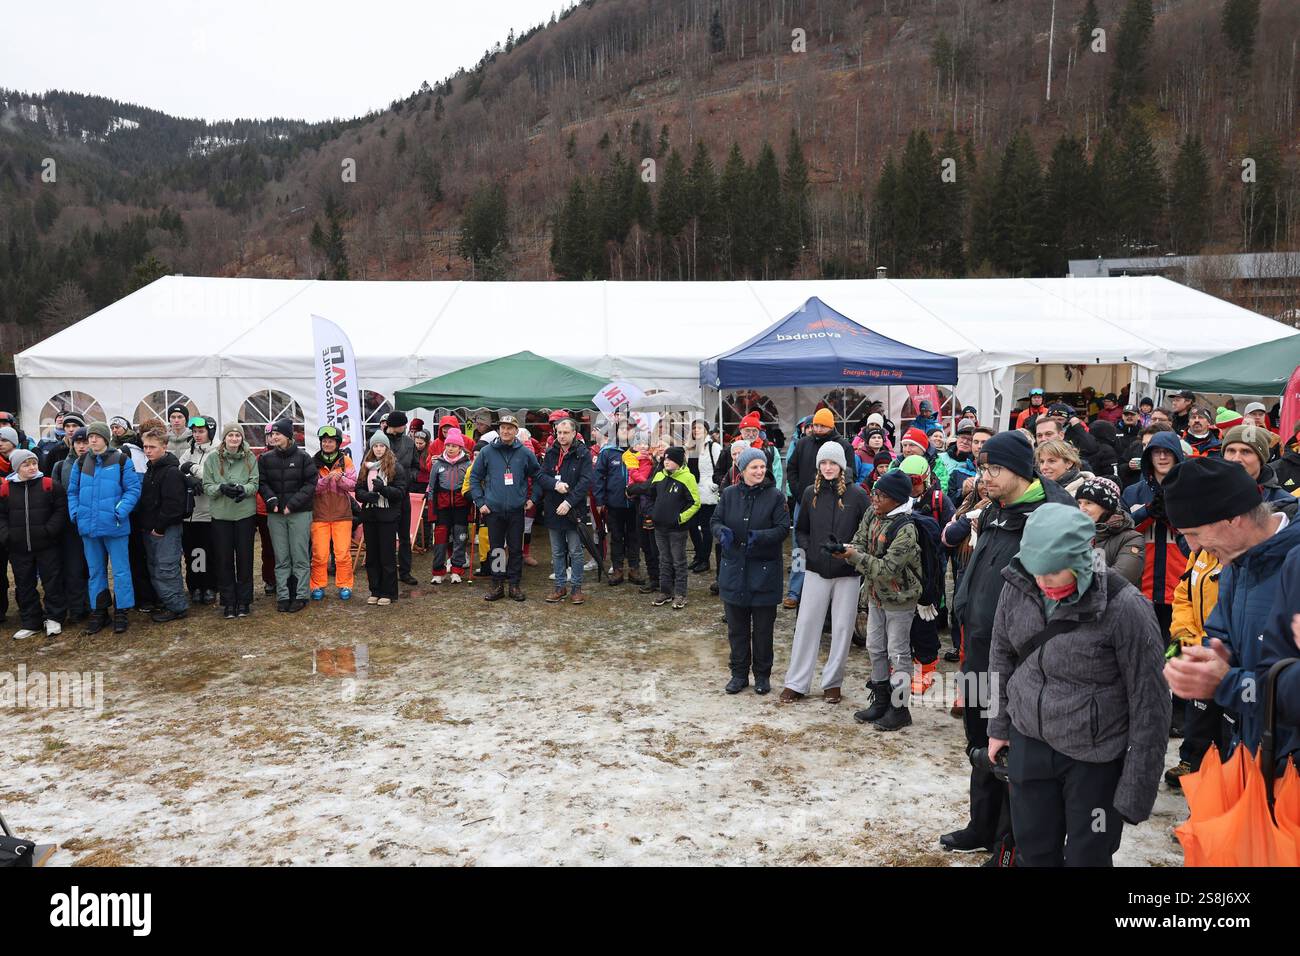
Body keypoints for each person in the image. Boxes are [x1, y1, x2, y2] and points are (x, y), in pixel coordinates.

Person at [987, 504, 1170, 866]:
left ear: (1084, 555)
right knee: (1033, 851)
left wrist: (1136, 789)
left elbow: (1151, 702)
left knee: (1089, 855)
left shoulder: (1126, 607)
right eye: (1037, 569)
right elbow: (1000, 654)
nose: (1043, 581)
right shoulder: (1019, 582)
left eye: (1054, 570)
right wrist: (998, 726)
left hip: (1094, 758)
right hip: (1029, 743)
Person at [942, 430, 1076, 858]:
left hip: (1022, 660)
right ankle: (981, 825)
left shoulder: (1047, 515)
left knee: (1013, 752)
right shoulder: (998, 511)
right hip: (980, 652)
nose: (985, 477)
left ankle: (1009, 843)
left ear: (1019, 470)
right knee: (980, 740)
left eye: (994, 469)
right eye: (982, 468)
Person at [1162, 457, 1300, 760]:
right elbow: (1220, 635)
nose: (1193, 547)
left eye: (1194, 533)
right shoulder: (1236, 562)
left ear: (1233, 518)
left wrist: (1229, 684)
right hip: (1253, 757)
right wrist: (1195, 656)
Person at [780, 442, 869, 704]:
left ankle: (833, 683)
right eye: (824, 463)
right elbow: (802, 529)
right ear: (819, 466)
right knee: (807, 625)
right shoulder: (810, 493)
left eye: (832, 463)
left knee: (842, 627)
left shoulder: (857, 495)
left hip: (847, 572)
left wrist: (852, 552)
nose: (828, 467)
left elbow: (866, 531)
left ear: (841, 465)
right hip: (816, 570)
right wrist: (811, 551)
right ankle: (796, 682)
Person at [842, 469, 923, 730]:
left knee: (897, 653)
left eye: (881, 495)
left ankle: (900, 709)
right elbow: (859, 540)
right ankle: (880, 700)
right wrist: (851, 551)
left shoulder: (906, 529)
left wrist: (854, 557)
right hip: (876, 595)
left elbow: (887, 569)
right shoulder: (873, 513)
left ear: (897, 499)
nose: (874, 498)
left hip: (900, 599)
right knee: (874, 647)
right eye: (874, 492)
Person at [712, 447, 789, 695]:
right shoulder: (729, 494)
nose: (759, 471)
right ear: (743, 470)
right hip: (734, 570)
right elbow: (715, 520)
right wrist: (721, 531)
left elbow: (783, 528)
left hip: (764, 572)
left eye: (762, 467)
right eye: (754, 467)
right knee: (737, 629)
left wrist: (761, 537)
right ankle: (738, 673)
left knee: (763, 630)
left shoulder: (775, 496)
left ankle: (762, 675)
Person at [67, 420, 142, 635]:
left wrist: (119, 511)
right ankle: (100, 612)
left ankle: (121, 612)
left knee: (120, 571)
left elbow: (133, 490)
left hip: (115, 526)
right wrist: (76, 513)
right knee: (95, 571)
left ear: (105, 438)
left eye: (96, 436)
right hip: (89, 527)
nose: (92, 440)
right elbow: (72, 491)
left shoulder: (120, 460)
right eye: (90, 437)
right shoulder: (81, 463)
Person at [470, 414, 553, 602]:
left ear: (516, 431)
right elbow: (474, 478)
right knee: (497, 549)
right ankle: (498, 585)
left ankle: (514, 584)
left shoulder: (525, 453)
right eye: (503, 428)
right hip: (494, 511)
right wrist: (480, 502)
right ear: (499, 430)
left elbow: (538, 476)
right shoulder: (487, 452)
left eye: (510, 428)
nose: (506, 431)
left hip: (516, 510)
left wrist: (533, 498)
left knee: (516, 549)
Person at [784, 408, 857, 610]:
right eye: (815, 425)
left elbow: (851, 472)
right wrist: (800, 494)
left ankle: (832, 593)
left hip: (836, 504)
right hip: (805, 502)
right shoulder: (802, 443)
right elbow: (791, 469)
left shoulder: (843, 445)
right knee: (800, 545)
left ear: (831, 425)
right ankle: (795, 590)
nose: (817, 428)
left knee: (832, 542)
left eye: (822, 425)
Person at [1120, 430, 1188, 647]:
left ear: (1177, 455)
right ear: (1148, 457)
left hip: (1178, 585)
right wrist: (1147, 512)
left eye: (1168, 452)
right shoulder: (1133, 492)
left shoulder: (1191, 489)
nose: (1162, 457)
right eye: (1156, 452)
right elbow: (1121, 529)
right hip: (1142, 583)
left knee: (1173, 652)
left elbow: (1200, 533)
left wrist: (1172, 517)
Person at [1, 449, 67, 640]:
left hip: (47, 545)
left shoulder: (49, 485)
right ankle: (31, 621)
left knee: (52, 581)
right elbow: (1, 516)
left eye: (34, 463)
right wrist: (7, 535)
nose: (31, 467)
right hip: (18, 547)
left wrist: (49, 530)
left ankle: (54, 617)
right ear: (16, 468)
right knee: (24, 584)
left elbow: (60, 510)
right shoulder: (6, 489)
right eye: (26, 464)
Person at [628, 445, 700, 610]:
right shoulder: (659, 475)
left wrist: (680, 518)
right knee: (664, 560)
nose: (666, 462)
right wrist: (654, 513)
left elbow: (695, 503)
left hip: (677, 529)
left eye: (670, 459)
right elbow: (650, 494)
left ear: (678, 461)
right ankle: (666, 591)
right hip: (659, 527)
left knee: (679, 561)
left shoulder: (687, 478)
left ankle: (681, 594)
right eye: (665, 459)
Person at [259, 419, 317, 613]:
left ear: (288, 436)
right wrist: (272, 501)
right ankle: (283, 595)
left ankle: (300, 595)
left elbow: (310, 484)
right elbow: (262, 483)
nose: (274, 437)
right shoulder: (266, 459)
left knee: (299, 556)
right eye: (272, 434)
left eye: (278, 434)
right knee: (281, 557)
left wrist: (292, 505)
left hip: (299, 513)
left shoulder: (303, 457)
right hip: (275, 514)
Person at [203, 424, 260, 620]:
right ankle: (228, 601)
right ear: (224, 438)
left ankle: (244, 600)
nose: (234, 439)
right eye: (231, 435)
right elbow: (207, 485)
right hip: (221, 516)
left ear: (242, 438)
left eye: (237, 435)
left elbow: (255, 482)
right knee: (224, 559)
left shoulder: (249, 457)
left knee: (245, 558)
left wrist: (244, 490)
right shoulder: (212, 458)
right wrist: (221, 488)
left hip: (244, 514)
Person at [535, 418, 594, 605]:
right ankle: (560, 587)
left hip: (573, 510)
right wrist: (555, 484)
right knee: (557, 551)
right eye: (559, 432)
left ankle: (576, 588)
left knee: (575, 551)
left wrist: (569, 502)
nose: (561, 436)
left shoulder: (582, 453)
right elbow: (541, 476)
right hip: (553, 508)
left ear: (574, 433)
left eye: (565, 432)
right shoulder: (551, 452)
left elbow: (585, 482)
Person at [137, 421, 189, 623]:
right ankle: (167, 601)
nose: (148, 451)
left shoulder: (171, 472)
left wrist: (159, 527)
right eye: (145, 447)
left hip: (165, 529)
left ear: (164, 447)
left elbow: (173, 506)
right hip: (151, 528)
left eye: (152, 447)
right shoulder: (151, 469)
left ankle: (177, 607)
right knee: (156, 567)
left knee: (166, 568)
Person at [354, 431, 409, 605]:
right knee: (372, 556)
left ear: (387, 448)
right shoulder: (366, 466)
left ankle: (389, 592)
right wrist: (366, 496)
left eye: (381, 446)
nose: (378, 449)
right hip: (370, 515)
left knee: (387, 556)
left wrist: (383, 489)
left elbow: (400, 493)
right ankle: (375, 590)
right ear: (371, 448)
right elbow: (358, 489)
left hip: (387, 516)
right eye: (375, 446)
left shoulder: (395, 467)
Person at [308, 425, 357, 601]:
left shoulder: (346, 461)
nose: (327, 444)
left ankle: (345, 584)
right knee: (319, 554)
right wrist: (324, 481)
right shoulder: (313, 462)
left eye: (331, 441)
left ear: (337, 443)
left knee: (342, 553)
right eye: (324, 441)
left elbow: (353, 484)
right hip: (319, 515)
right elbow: (310, 487)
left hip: (341, 514)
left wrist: (340, 479)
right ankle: (317, 586)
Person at [594, 421, 644, 587]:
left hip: (635, 502)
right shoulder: (607, 452)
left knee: (634, 536)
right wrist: (600, 500)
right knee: (616, 537)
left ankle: (634, 568)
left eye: (629, 430)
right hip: (614, 502)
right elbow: (598, 477)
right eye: (622, 429)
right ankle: (617, 569)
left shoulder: (640, 451)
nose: (626, 432)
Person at [1075, 476, 1144, 587]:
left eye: (1088, 503)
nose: (1081, 508)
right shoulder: (1073, 534)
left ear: (1107, 507)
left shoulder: (1131, 538)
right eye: (1079, 502)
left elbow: (1119, 581)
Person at [52, 427, 90, 624]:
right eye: (78, 442)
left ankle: (94, 605)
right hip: (70, 525)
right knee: (73, 569)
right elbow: (56, 498)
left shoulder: (98, 463)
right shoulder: (60, 466)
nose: (82, 446)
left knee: (92, 568)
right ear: (72, 444)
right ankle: (77, 607)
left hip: (92, 524)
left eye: (85, 442)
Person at [179, 417, 218, 605]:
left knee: (207, 552)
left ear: (210, 432)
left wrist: (192, 469)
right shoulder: (188, 451)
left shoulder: (217, 451)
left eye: (201, 432)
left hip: (208, 512)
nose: (197, 435)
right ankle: (195, 586)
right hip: (190, 513)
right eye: (194, 432)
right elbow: (178, 469)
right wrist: (188, 479)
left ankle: (210, 585)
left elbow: (213, 474)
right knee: (193, 552)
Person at [1220, 423, 1297, 515]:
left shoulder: (1285, 505)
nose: (1236, 458)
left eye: (1246, 452)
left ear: (1261, 459)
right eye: (1231, 451)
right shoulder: (1208, 494)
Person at [382, 410, 420, 586]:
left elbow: (416, 466)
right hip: (385, 497)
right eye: (402, 425)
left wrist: (409, 477)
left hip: (403, 495)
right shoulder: (379, 442)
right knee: (387, 538)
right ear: (394, 426)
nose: (405, 427)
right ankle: (387, 571)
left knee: (405, 536)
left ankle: (405, 572)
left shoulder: (409, 443)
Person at [711, 412, 776, 492]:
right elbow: (717, 475)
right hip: (733, 494)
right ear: (741, 431)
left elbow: (769, 476)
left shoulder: (764, 450)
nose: (751, 434)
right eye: (747, 430)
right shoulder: (729, 450)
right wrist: (729, 483)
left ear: (759, 432)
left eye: (754, 431)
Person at [691, 420, 723, 573]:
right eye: (693, 428)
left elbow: (721, 467)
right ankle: (699, 556)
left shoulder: (713, 446)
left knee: (706, 527)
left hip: (708, 491)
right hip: (695, 490)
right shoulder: (693, 447)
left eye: (699, 428)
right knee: (692, 525)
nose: (696, 430)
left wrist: (714, 486)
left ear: (706, 430)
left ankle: (705, 561)